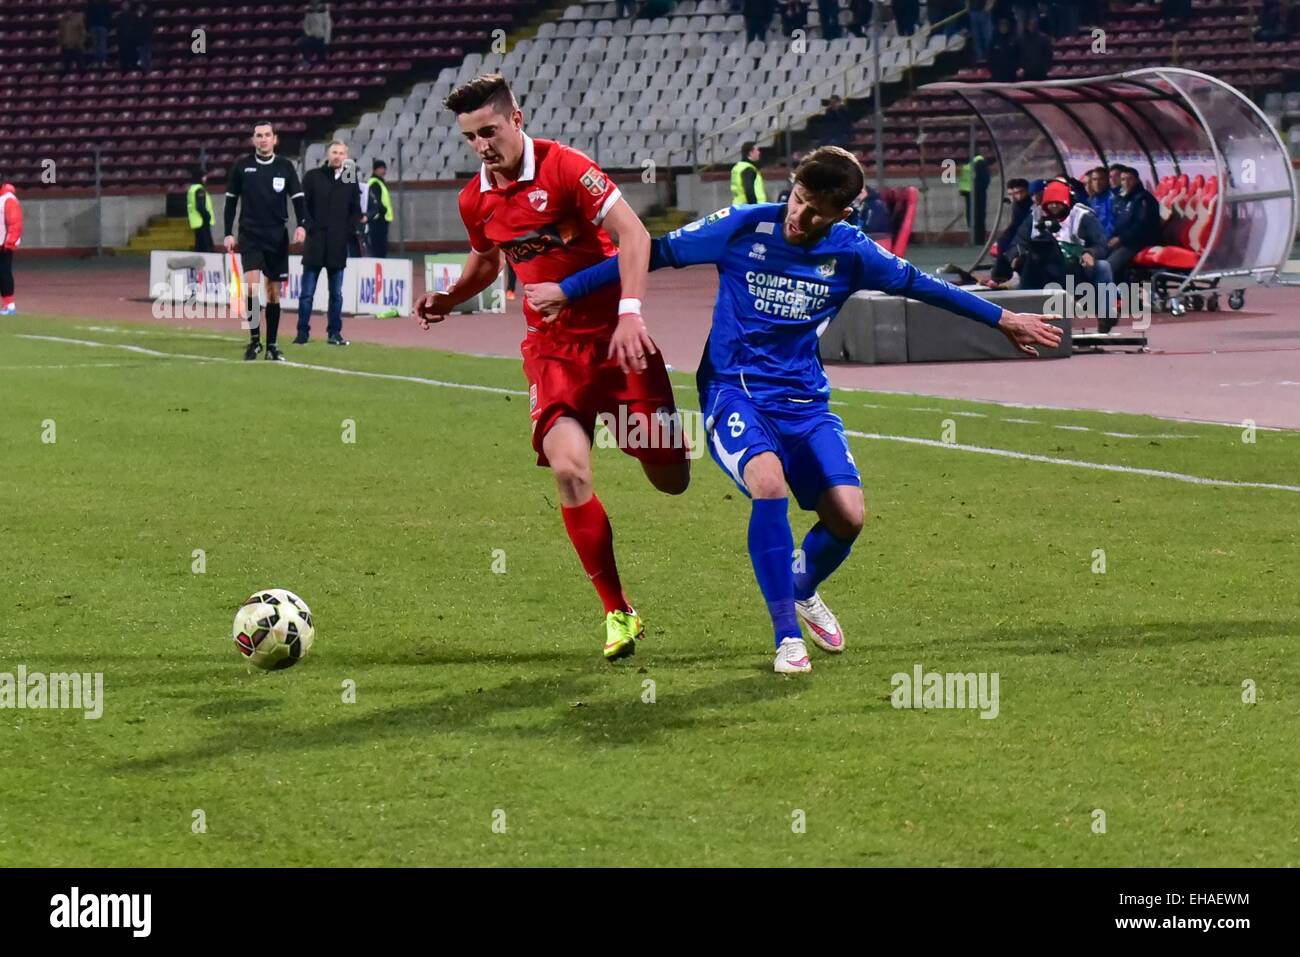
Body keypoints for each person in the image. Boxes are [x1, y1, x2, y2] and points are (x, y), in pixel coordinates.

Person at [525, 147, 1061, 674]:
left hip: (804, 401)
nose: (799, 216)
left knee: (848, 517)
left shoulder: (853, 253)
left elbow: (925, 286)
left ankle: (803, 588)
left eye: (816, 210)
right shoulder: (743, 226)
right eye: (798, 199)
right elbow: (656, 251)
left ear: (842, 213)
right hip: (734, 391)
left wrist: (1002, 320)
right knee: (769, 482)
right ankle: (786, 639)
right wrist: (569, 290)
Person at [415, 73, 691, 662]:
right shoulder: (475, 199)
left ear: (517, 119)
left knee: (670, 476)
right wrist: (448, 297)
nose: (483, 145)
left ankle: (665, 441)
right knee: (568, 470)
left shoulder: (568, 168)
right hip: (553, 350)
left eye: (489, 130)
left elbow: (635, 236)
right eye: (470, 138)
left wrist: (630, 314)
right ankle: (618, 611)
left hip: (620, 344)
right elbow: (488, 262)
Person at [223, 121, 308, 361]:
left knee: (273, 293)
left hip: (276, 235)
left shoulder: (285, 166)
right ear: (253, 140)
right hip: (250, 234)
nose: (263, 139)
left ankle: (272, 345)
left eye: (267, 135)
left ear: (275, 139)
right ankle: (254, 342)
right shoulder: (242, 167)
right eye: (258, 136)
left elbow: (298, 197)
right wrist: (228, 232)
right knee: (251, 286)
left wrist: (302, 225)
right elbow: (230, 201)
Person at [296, 141, 362, 346]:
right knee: (307, 294)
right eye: (334, 152)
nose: (338, 156)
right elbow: (302, 205)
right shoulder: (313, 176)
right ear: (328, 154)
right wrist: (307, 226)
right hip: (315, 243)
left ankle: (334, 333)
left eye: (342, 153)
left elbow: (355, 209)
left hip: (337, 245)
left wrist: (346, 231)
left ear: (346, 156)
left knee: (336, 294)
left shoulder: (349, 177)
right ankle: (302, 333)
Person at [1007, 179, 1112, 299]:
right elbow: (1019, 241)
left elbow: (1101, 244)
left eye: (1058, 203)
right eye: (1050, 203)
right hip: (1042, 266)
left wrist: (1090, 253)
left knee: (1103, 266)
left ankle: (1106, 311)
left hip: (1077, 265)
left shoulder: (1083, 216)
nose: (1054, 206)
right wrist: (1015, 256)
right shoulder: (1035, 216)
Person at [1106, 165, 1159, 283]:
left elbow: (1141, 226)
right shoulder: (1124, 199)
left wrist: (1120, 238)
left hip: (1138, 242)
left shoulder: (1143, 199)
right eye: (1123, 180)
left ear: (1136, 180)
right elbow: (1119, 223)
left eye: (1130, 179)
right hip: (1125, 240)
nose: (1126, 183)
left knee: (1108, 267)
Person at [983, 176, 1031, 286]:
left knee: (1006, 245)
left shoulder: (1029, 205)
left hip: (1026, 235)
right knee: (1003, 244)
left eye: (1020, 192)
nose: (1016, 197)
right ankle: (1001, 276)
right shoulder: (1017, 205)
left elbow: (1019, 226)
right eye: (1011, 194)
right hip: (1019, 233)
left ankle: (1001, 277)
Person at [0, 175, 22, 315]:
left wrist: (9, 242)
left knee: (4, 273)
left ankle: (10, 305)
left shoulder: (8, 199)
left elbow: (15, 223)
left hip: (3, 244)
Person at [366, 161, 392, 258]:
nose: (383, 170)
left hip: (380, 218)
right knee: (379, 247)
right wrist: (383, 210)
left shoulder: (378, 182)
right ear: (375, 170)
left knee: (379, 246)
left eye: (384, 168)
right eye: (381, 168)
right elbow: (376, 201)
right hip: (378, 219)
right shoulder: (375, 183)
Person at [186, 166, 215, 252]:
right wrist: (207, 216)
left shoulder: (192, 189)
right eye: (204, 176)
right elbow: (200, 206)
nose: (205, 178)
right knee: (207, 248)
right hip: (202, 221)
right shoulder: (199, 190)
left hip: (196, 222)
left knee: (199, 247)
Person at [1019, 14, 1054, 80]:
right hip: (1026, 74)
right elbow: (1018, 55)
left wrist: (1046, 68)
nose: (1031, 26)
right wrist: (1020, 67)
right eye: (1029, 24)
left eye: (1033, 24)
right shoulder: (1020, 39)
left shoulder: (1044, 39)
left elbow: (1048, 55)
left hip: (1040, 73)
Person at [1084, 165, 1114, 238]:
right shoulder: (1091, 200)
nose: (1097, 183)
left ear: (1107, 181)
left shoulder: (1112, 199)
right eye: (1094, 179)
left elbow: (1112, 224)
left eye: (1101, 179)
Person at [988, 16, 1020, 81]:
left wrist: (1016, 68)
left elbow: (1018, 55)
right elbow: (989, 56)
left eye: (1005, 26)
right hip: (997, 74)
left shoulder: (1014, 40)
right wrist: (993, 70)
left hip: (1011, 74)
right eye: (1001, 26)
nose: (1003, 28)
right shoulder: (994, 41)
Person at [59, 9, 89, 74]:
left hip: (76, 45)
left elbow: (83, 33)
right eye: (66, 13)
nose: (68, 14)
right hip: (66, 46)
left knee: (80, 65)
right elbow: (60, 34)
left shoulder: (78, 21)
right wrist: (61, 43)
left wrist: (80, 43)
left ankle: (82, 79)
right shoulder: (62, 22)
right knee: (66, 66)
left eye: (69, 12)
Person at [86, 0, 112, 67]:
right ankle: (97, 61)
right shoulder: (90, 3)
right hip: (93, 26)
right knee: (95, 44)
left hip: (103, 25)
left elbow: (108, 14)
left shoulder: (105, 2)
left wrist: (108, 26)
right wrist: (88, 27)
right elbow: (88, 15)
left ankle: (103, 60)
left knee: (102, 44)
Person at [117, 1, 140, 71]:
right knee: (124, 62)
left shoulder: (134, 16)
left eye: (126, 4)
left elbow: (136, 27)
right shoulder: (119, 17)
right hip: (123, 41)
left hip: (132, 40)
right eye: (123, 5)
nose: (125, 6)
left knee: (133, 59)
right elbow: (119, 29)